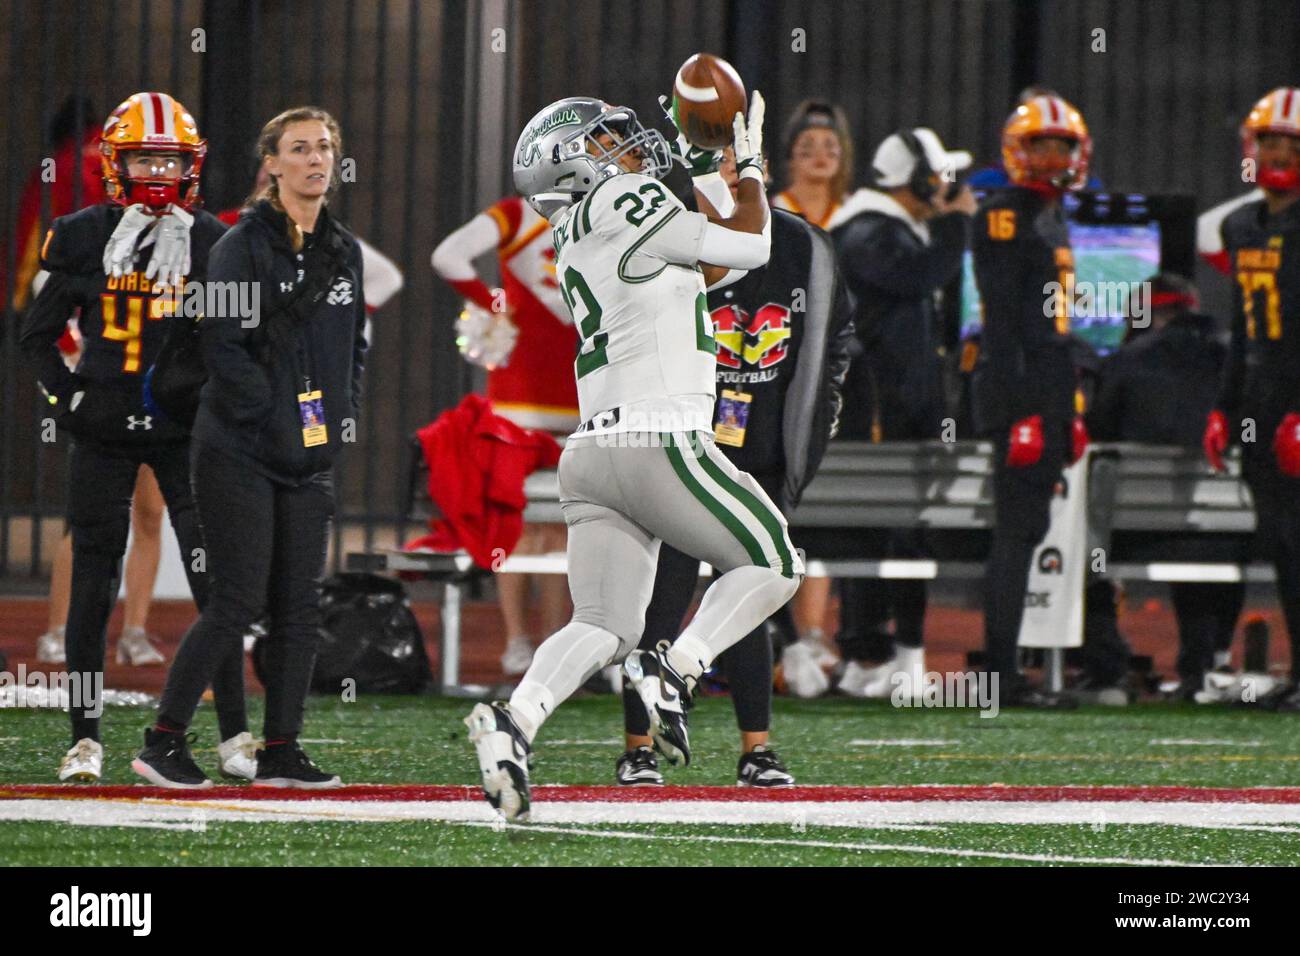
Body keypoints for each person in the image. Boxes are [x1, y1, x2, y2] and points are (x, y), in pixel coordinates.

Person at [466, 92, 802, 822]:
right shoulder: (625, 196)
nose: (629, 147)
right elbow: (754, 247)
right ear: (578, 164)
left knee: (603, 624)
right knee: (774, 560)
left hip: (591, 456)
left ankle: (513, 724)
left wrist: (718, 177)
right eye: (609, 140)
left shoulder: (579, 233)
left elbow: (718, 270)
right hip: (658, 437)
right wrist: (744, 169)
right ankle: (675, 670)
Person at [19, 92, 253, 782]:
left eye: (168, 158)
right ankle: (84, 737)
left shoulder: (214, 240)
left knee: (217, 581)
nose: (156, 169)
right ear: (117, 162)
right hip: (105, 421)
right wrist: (68, 401)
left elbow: (238, 337)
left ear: (190, 165)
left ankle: (235, 732)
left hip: (186, 429)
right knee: (93, 581)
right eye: (146, 156)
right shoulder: (84, 233)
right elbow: (34, 335)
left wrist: (223, 403)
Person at [135, 106, 366, 788]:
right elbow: (222, 348)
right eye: (300, 149)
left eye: (325, 146)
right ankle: (162, 741)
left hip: (308, 456)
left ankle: (282, 748)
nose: (316, 159)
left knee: (300, 605)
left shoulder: (343, 249)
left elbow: (352, 347)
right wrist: (271, 417)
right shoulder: (238, 245)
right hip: (238, 449)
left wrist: (337, 411)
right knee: (234, 601)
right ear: (272, 164)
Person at [615, 139, 853, 786]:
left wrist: (815, 424)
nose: (726, 178)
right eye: (712, 166)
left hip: (761, 453)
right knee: (658, 603)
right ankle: (638, 746)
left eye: (738, 166)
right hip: (682, 448)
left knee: (748, 598)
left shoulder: (804, 246)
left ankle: (757, 749)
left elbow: (838, 341)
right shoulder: (672, 238)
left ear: (760, 174)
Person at [832, 128, 975, 698]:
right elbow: (919, 276)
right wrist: (957, 221)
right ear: (915, 179)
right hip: (876, 414)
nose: (947, 186)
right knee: (875, 531)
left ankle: (899, 654)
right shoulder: (868, 231)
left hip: (899, 410)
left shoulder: (888, 228)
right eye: (938, 176)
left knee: (905, 531)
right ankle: (869, 653)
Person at [970, 93, 1092, 708]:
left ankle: (1004, 673)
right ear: (1018, 150)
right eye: (1041, 144)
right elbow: (1005, 326)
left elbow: (1053, 329)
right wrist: (1024, 411)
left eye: (1061, 145)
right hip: (1020, 390)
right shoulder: (1005, 212)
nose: (1052, 156)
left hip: (1044, 391)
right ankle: (1000, 677)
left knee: (1027, 530)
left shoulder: (1049, 213)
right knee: (1016, 534)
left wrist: (1064, 405)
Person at [431, 187, 578, 677]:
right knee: (523, 524)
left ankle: (548, 646)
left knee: (559, 526)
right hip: (524, 397)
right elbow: (447, 256)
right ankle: (520, 641)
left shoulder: (593, 212)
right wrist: (493, 301)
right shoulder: (516, 214)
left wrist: (494, 300)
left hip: (576, 391)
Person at [1090, 274, 1243, 698]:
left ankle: (1107, 670)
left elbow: (1097, 436)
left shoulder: (1126, 361)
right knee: (1210, 536)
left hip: (1137, 530)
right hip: (1230, 531)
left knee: (1081, 546)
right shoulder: (1237, 359)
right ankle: (1206, 665)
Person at [1203, 87, 1300, 709]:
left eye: (1290, 143)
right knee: (1284, 543)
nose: (1278, 151)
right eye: (1270, 141)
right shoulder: (1242, 223)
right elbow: (1242, 326)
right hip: (1263, 402)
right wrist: (1224, 403)